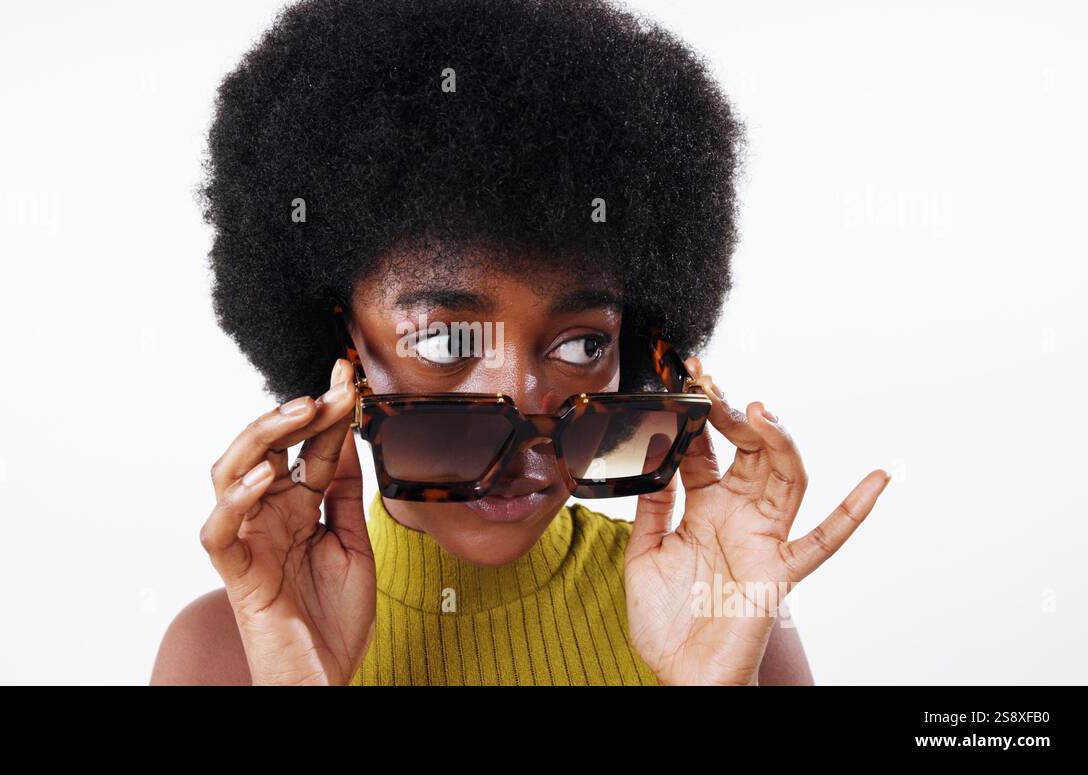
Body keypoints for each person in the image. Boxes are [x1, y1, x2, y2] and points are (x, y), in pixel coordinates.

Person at [150, 0, 889, 685]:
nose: (529, 406)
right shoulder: (227, 649)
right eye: (445, 343)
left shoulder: (726, 612)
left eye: (577, 345)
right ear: (346, 346)